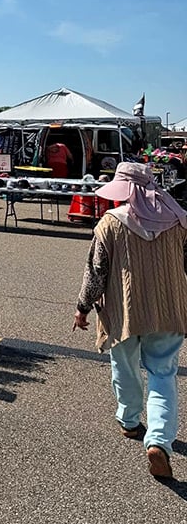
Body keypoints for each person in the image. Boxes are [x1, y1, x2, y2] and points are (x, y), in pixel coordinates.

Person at [73, 162, 187, 480]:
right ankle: (160, 442)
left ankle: (130, 421)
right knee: (163, 375)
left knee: (124, 367)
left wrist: (82, 307)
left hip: (124, 311)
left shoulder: (110, 224)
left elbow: (95, 273)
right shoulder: (179, 221)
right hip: (169, 310)